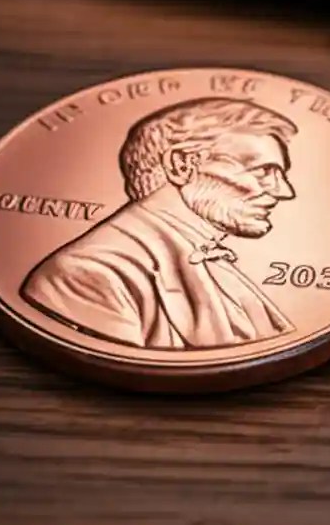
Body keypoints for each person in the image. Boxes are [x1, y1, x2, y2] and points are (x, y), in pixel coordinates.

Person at [21, 97, 297, 349]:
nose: (284, 192)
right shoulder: (87, 274)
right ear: (182, 165)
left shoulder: (213, 262)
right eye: (263, 171)